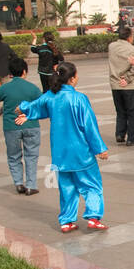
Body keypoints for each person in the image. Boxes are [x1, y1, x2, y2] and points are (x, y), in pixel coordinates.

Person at [14, 61, 110, 232]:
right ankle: (94, 217)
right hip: (81, 152)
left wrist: (23, 109)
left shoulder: (51, 96)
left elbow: (35, 106)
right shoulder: (79, 99)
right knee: (91, 185)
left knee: (67, 187)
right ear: (72, 79)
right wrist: (100, 148)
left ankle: (66, 221)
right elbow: (89, 125)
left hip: (60, 152)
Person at [0, 57, 43, 195]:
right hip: (31, 125)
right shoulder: (33, 88)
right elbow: (41, 104)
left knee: (13, 155)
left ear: (11, 72)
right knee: (31, 155)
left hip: (11, 126)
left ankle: (18, 183)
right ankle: (31, 185)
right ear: (25, 71)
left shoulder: (6, 87)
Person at [107, 25, 134, 146]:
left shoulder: (111, 47)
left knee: (120, 111)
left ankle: (120, 133)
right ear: (129, 37)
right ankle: (131, 137)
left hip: (114, 84)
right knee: (133, 111)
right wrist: (127, 79)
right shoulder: (132, 49)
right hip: (129, 86)